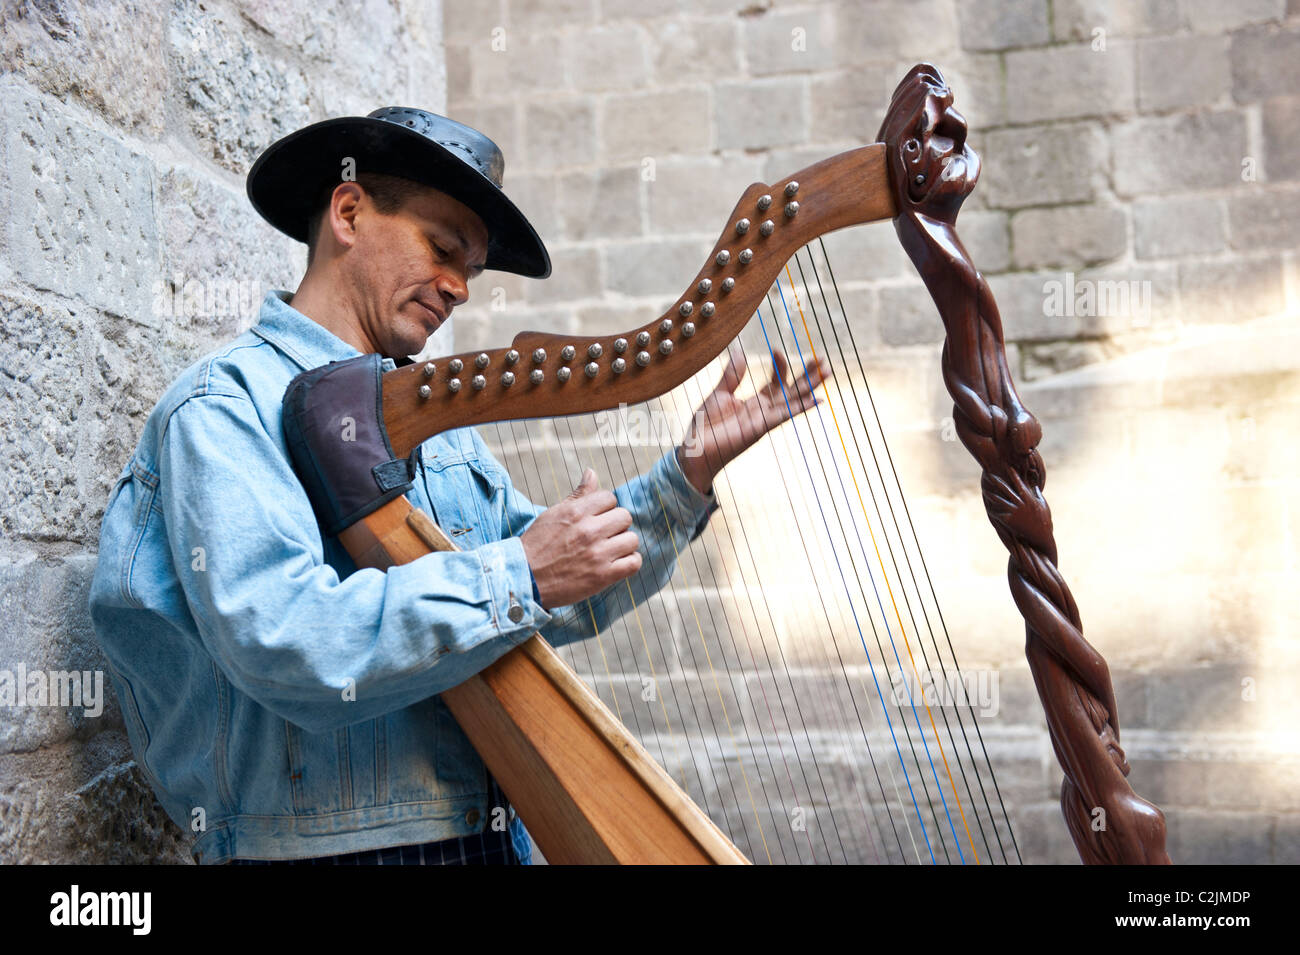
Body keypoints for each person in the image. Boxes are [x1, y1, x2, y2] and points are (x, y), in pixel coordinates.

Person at [88, 107, 829, 865]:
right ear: (347, 211)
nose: (459, 289)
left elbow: (546, 594)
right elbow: (287, 641)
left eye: (470, 271)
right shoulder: (224, 408)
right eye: (442, 249)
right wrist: (521, 572)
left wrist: (687, 476)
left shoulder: (434, 419)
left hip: (499, 838)